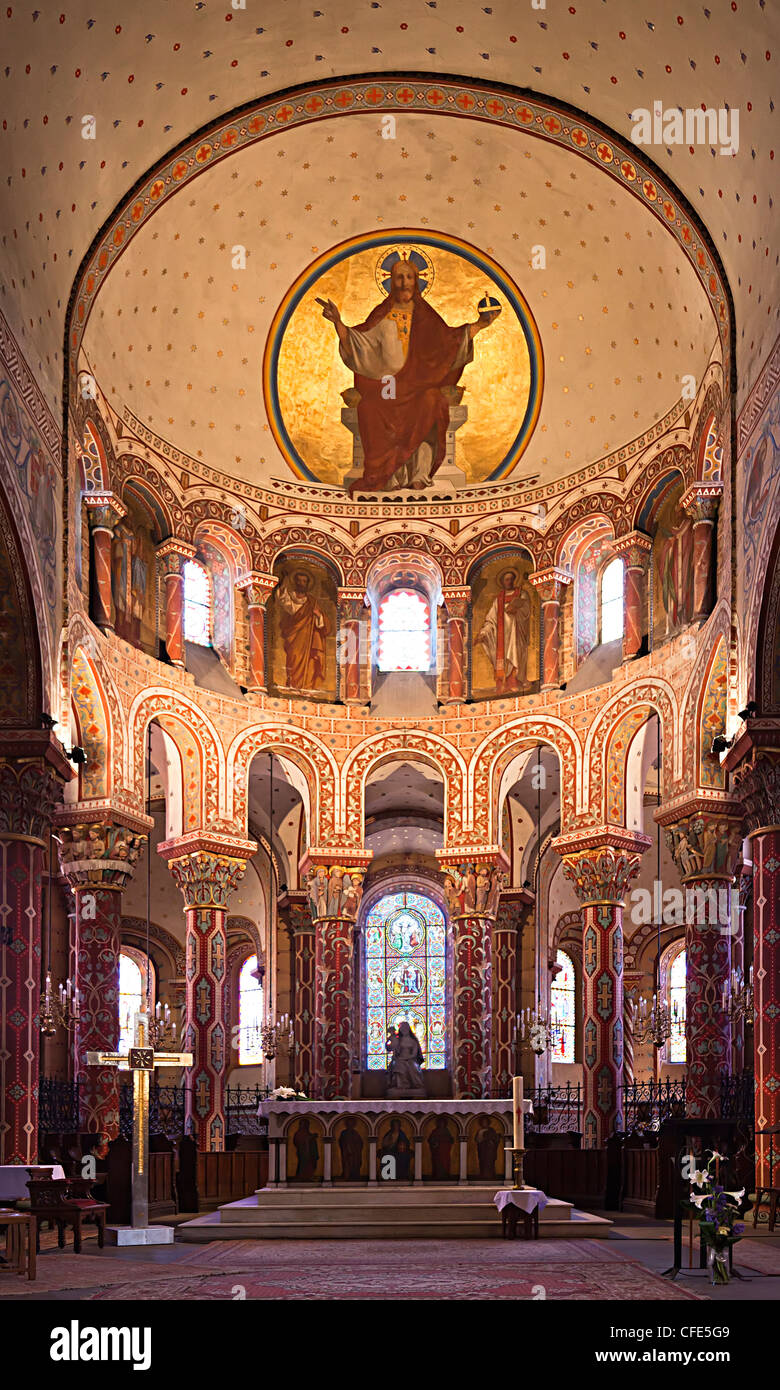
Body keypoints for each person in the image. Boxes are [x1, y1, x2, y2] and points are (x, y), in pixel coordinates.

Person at [318, 257, 499, 493]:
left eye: (409, 277)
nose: (405, 283)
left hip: (419, 385)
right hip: (388, 384)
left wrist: (479, 325)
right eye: (399, 277)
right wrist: (338, 323)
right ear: (391, 282)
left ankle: (419, 475)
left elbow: (449, 342)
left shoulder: (426, 316)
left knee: (432, 401)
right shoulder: (382, 315)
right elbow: (359, 342)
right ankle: (388, 477)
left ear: (417, 281)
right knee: (372, 407)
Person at [475, 568, 532, 695]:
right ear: (502, 582)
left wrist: (518, 608)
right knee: (503, 657)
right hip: (502, 635)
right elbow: (490, 620)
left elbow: (527, 611)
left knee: (515, 654)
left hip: (517, 631)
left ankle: (514, 680)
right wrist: (483, 633)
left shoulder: (522, 594)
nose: (509, 582)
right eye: (507, 579)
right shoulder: (497, 600)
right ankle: (503, 684)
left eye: (512, 579)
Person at [277, 570, 330, 692]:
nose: (301, 583)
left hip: (310, 641)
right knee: (294, 658)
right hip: (294, 638)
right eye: (299, 581)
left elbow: (325, 626)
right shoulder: (289, 596)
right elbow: (287, 606)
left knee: (311, 662)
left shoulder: (312, 601)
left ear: (307, 584)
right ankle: (293, 686)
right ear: (295, 582)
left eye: (304, 581)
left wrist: (318, 616)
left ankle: (307, 689)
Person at [386, 1021, 426, 1096]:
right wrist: (389, 1040)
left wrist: (406, 1058)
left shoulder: (413, 1041)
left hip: (411, 1059)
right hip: (399, 1059)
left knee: (413, 1066)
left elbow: (414, 1054)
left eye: (405, 1028)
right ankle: (401, 1086)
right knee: (397, 1065)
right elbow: (390, 1048)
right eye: (402, 1029)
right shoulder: (398, 1040)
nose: (404, 1030)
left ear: (408, 1029)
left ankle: (416, 1085)